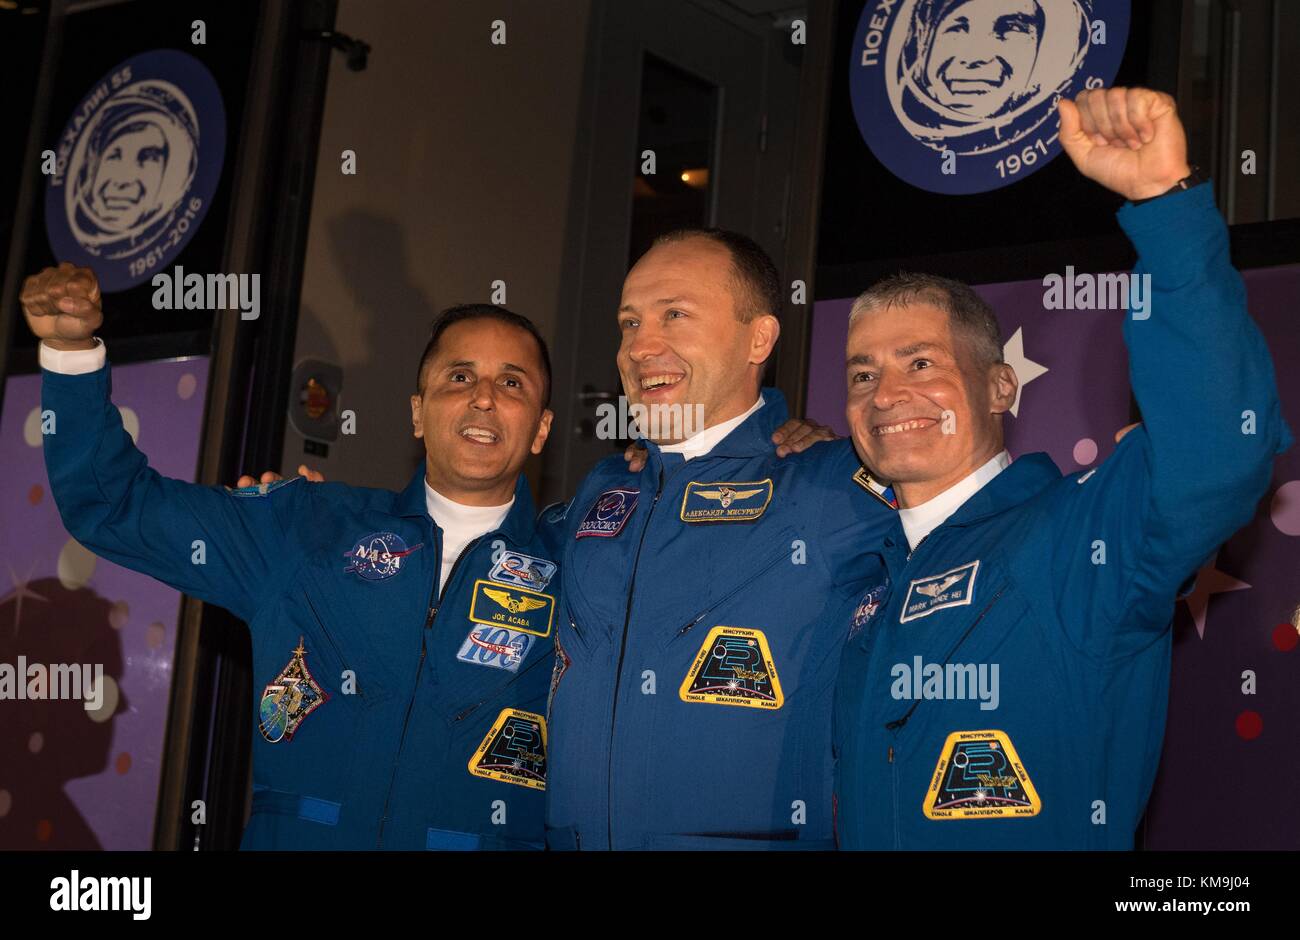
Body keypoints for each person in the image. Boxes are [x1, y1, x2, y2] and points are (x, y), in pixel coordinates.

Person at [832, 86, 1289, 849]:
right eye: (861, 374)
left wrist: (1164, 209)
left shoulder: (1077, 537)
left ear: (1000, 384)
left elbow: (1217, 449)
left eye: (921, 362)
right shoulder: (862, 583)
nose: (889, 395)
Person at [24, 277, 564, 850]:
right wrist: (72, 354)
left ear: (542, 429)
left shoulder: (584, 568)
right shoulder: (307, 527)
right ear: (417, 412)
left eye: (511, 382)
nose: (483, 397)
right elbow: (116, 505)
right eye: (460, 376)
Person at [543, 229, 897, 850]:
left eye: (674, 315)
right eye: (629, 323)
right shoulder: (603, 487)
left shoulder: (833, 485)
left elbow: (990, 532)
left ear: (758, 337)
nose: (640, 346)